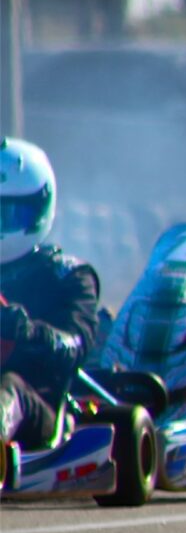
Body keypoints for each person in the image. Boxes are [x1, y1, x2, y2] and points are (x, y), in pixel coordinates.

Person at [0, 137, 101, 449]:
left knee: (8, 387)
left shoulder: (68, 276)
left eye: (8, 214)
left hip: (36, 403)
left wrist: (28, 332)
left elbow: (75, 345)